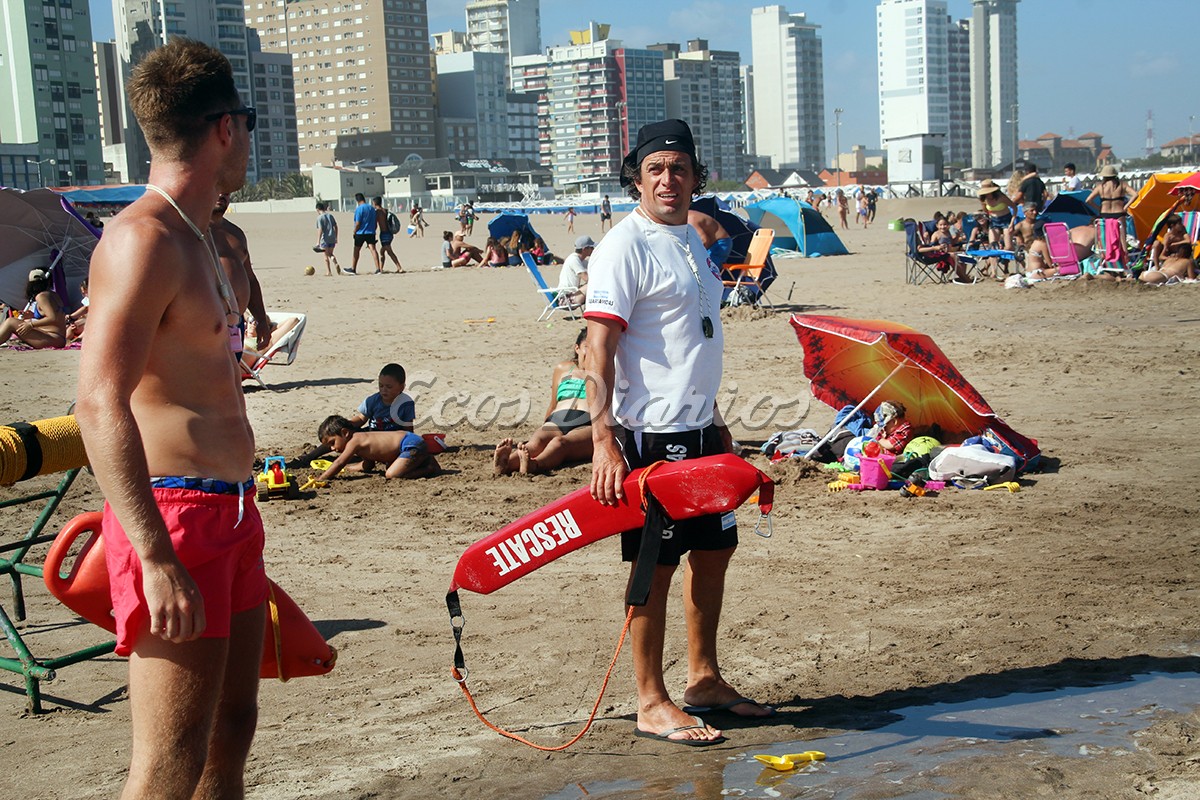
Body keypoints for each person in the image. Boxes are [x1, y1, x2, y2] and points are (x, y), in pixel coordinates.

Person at [72, 38, 266, 799]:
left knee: (231, 726)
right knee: (169, 757)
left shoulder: (201, 239)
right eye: (247, 124)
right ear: (225, 129)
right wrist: (153, 554)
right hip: (176, 515)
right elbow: (97, 400)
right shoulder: (141, 239)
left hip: (233, 510)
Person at [583, 118, 772, 748]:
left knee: (715, 552)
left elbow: (690, 338)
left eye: (680, 168)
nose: (669, 179)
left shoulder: (691, 237)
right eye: (656, 169)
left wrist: (716, 422)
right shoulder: (622, 245)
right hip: (648, 438)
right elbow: (598, 349)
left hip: (699, 432)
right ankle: (649, 699)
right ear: (636, 177)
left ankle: (703, 680)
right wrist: (604, 439)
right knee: (653, 568)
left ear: (696, 175)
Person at [493, 328, 594, 476]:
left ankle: (535, 465)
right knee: (535, 443)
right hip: (556, 419)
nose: (592, 354)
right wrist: (544, 425)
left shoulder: (605, 372)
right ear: (577, 348)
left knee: (559, 444)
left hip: (587, 424)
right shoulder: (563, 369)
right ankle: (505, 463)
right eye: (588, 348)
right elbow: (553, 404)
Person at [212, 191, 270, 361]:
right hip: (208, 323)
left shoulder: (236, 233)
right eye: (217, 188)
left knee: (231, 376)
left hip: (236, 322)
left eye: (227, 192)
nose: (222, 194)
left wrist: (261, 319)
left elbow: (250, 279)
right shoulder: (194, 233)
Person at [315, 415, 438, 481]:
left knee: (391, 474)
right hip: (408, 442)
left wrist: (322, 478)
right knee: (391, 467)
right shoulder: (361, 443)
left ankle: (428, 467)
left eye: (332, 443)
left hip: (409, 443)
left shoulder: (355, 440)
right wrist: (350, 468)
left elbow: (339, 462)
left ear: (345, 433)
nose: (332, 448)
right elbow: (368, 465)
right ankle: (423, 460)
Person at [0, 268, 67, 349]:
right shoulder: (53, 295)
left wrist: (31, 324)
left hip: (53, 338)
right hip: (58, 338)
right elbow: (55, 316)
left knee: (10, 322)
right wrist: (32, 316)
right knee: (23, 322)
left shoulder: (42, 296)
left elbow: (53, 317)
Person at [1140, 214, 1197, 284]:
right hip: (1161, 272)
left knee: (1143, 279)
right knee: (1156, 243)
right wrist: (1170, 257)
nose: (1182, 225)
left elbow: (1188, 241)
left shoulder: (1183, 232)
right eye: (1179, 223)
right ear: (1172, 225)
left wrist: (1174, 244)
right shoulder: (1168, 236)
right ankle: (1157, 266)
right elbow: (1162, 255)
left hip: (1149, 273)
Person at [978, 179, 1016, 252]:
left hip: (1006, 219)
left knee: (1009, 247)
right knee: (992, 246)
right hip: (994, 220)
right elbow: (985, 210)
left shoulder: (1001, 197)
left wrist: (1012, 223)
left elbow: (1014, 207)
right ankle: (995, 263)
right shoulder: (983, 199)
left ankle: (1018, 259)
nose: (987, 194)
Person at [557, 235, 593, 306]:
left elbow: (593, 269)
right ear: (584, 249)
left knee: (594, 283)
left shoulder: (581, 260)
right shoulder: (574, 260)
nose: (593, 249)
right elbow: (586, 278)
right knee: (592, 284)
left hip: (571, 294)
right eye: (591, 248)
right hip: (565, 299)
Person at [350, 192, 380, 275]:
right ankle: (378, 268)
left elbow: (358, 223)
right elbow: (375, 221)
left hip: (361, 232)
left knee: (356, 250)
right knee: (373, 250)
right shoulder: (371, 208)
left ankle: (353, 268)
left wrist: (354, 231)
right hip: (371, 232)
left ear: (357, 200)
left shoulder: (359, 209)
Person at [373, 196, 404, 273]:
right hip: (389, 234)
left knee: (389, 251)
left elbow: (375, 225)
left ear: (374, 203)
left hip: (384, 234)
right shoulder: (385, 210)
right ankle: (380, 268)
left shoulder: (377, 212)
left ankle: (399, 267)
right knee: (382, 252)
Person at [315, 201, 342, 275]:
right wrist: (336, 237)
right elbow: (336, 226)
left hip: (325, 239)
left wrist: (318, 241)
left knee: (326, 256)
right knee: (330, 254)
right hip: (332, 238)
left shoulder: (319, 218)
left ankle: (329, 272)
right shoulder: (330, 216)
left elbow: (320, 229)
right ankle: (335, 262)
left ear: (317, 209)